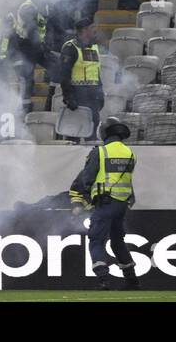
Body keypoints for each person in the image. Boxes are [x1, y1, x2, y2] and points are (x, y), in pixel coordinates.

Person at [69, 116, 138, 290]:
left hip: (105, 203)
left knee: (96, 240)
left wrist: (86, 196)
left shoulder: (100, 152)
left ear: (104, 132)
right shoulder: (130, 153)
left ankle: (103, 279)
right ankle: (132, 280)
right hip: (122, 204)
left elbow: (87, 177)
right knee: (117, 241)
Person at [57, 22, 105, 141]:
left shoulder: (94, 47)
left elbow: (96, 71)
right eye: (92, 28)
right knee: (73, 135)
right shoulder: (70, 48)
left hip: (93, 96)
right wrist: (68, 97)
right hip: (77, 96)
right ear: (84, 30)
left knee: (92, 136)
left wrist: (101, 93)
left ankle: (92, 158)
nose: (95, 30)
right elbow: (64, 75)